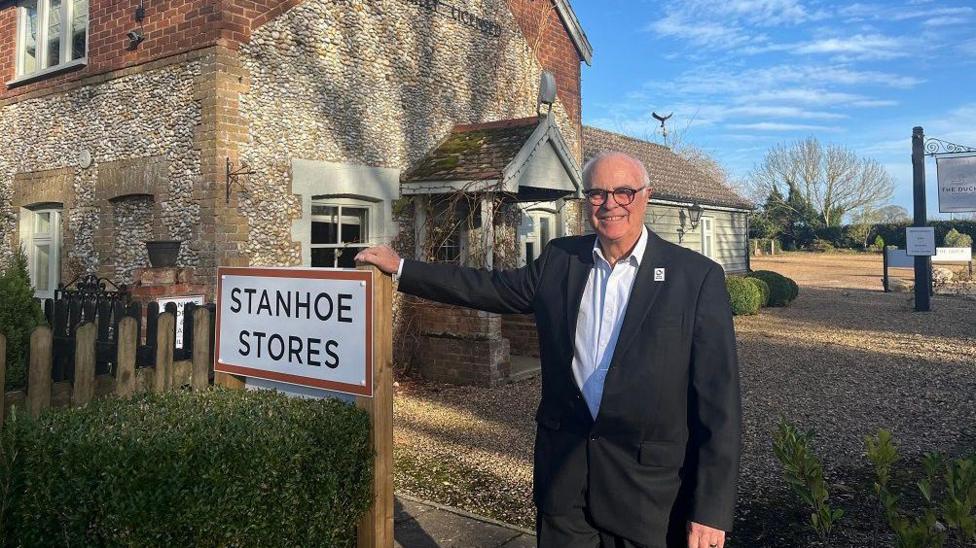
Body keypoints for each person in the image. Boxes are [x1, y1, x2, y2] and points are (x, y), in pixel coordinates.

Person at [356, 151, 740, 548]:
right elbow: (490, 287)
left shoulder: (695, 278)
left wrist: (710, 510)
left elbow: (719, 405)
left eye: (623, 192)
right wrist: (403, 268)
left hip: (650, 498)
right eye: (597, 194)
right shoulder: (561, 258)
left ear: (645, 196)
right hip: (566, 485)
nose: (610, 204)